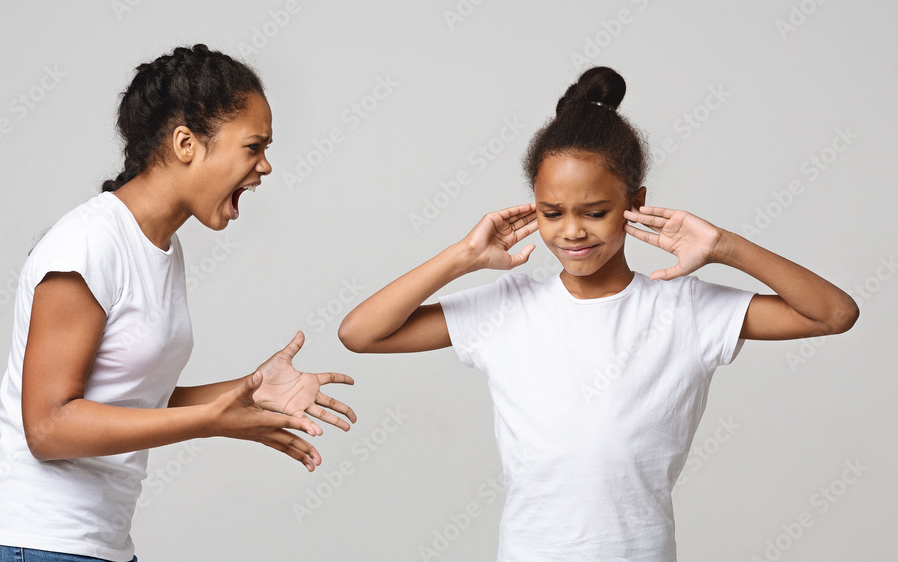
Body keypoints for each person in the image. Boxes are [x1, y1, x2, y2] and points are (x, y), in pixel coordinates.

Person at [338, 66, 858, 560]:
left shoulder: (685, 309)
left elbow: (833, 314)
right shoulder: (505, 308)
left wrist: (725, 247)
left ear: (636, 202)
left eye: (595, 212)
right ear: (532, 207)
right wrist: (461, 257)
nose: (572, 231)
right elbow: (360, 333)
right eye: (551, 213)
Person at [0, 44, 357, 562]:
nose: (266, 167)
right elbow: (48, 428)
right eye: (253, 146)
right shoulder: (89, 244)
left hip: (94, 545)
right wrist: (212, 420)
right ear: (187, 143)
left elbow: (132, 398)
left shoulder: (161, 247)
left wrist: (248, 392)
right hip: (27, 543)